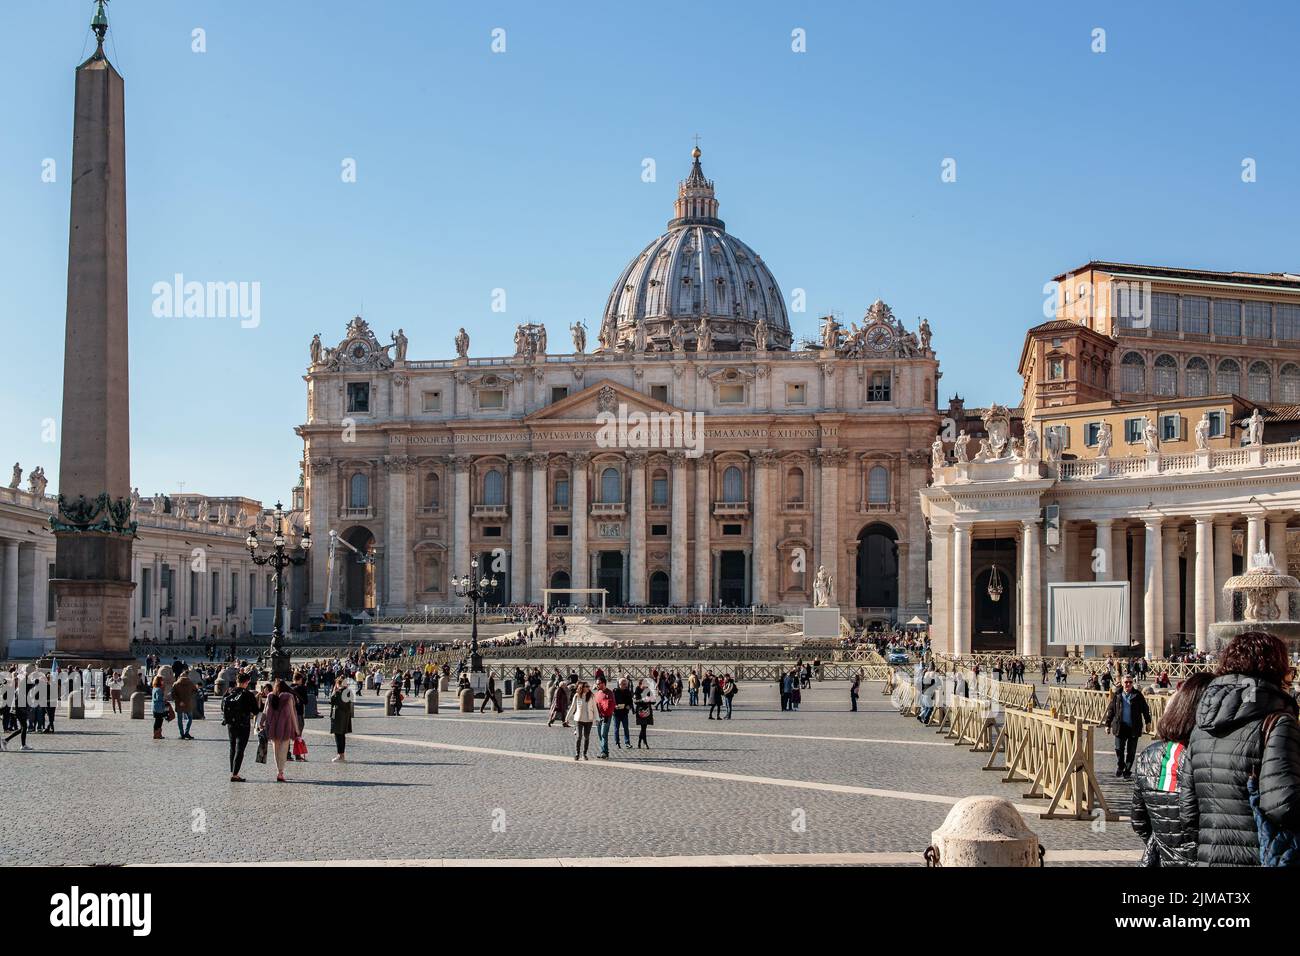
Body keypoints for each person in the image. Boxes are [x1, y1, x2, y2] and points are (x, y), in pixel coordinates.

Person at [1187, 631, 1300, 866]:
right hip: (1259, 856)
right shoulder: (1277, 722)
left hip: (1208, 858)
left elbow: (1187, 808)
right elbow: (1282, 805)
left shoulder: (1202, 725)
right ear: (1275, 667)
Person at [1130, 672, 1211, 866]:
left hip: (1166, 859)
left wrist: (1168, 847)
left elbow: (1139, 821)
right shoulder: (1205, 756)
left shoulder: (1149, 755)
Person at [1102, 674, 1151, 778]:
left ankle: (1127, 770)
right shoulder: (1117, 694)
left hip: (1134, 727)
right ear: (1122, 683)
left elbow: (1145, 709)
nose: (1128, 684)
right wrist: (1107, 724)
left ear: (1132, 683)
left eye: (1130, 682)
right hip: (1120, 726)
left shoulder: (1138, 695)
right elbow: (1111, 710)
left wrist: (1148, 722)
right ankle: (1120, 765)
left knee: (1131, 751)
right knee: (1118, 748)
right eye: (1126, 682)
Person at [220, 672, 261, 782]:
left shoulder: (228, 691)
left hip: (230, 724)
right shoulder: (248, 694)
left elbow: (222, 707)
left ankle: (232, 770)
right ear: (247, 682)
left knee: (232, 746)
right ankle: (235, 774)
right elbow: (255, 711)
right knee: (240, 749)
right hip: (243, 724)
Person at [264, 678, 302, 783]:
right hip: (285, 726)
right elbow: (293, 714)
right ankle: (281, 772)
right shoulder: (289, 697)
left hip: (273, 726)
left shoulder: (270, 696)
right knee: (283, 751)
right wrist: (297, 729)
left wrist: (261, 724)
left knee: (275, 750)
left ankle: (278, 771)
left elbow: (265, 712)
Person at [566, 681, 596, 760]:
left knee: (586, 737)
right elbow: (572, 708)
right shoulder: (577, 696)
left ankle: (584, 753)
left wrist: (598, 718)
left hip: (589, 720)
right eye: (586, 686)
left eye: (588, 686)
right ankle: (577, 753)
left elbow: (595, 708)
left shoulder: (592, 696)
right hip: (578, 719)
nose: (588, 688)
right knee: (579, 737)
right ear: (581, 688)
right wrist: (567, 718)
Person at [330, 676, 353, 763]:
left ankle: (340, 755)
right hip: (345, 716)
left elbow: (332, 701)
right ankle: (342, 755)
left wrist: (334, 691)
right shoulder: (348, 692)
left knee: (338, 736)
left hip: (338, 716)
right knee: (342, 736)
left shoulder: (338, 692)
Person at [172, 667, 197, 740]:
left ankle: (182, 734)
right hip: (188, 703)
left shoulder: (176, 684)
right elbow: (195, 691)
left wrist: (179, 701)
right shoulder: (190, 683)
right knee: (190, 718)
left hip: (179, 704)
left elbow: (173, 695)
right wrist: (190, 696)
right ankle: (187, 732)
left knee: (179, 719)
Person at [593, 678, 615, 758]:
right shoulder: (597, 693)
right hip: (598, 717)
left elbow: (612, 705)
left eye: (598, 684)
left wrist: (607, 714)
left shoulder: (610, 693)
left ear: (603, 683)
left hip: (606, 717)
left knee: (603, 734)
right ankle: (604, 750)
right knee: (600, 735)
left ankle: (604, 752)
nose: (597, 685)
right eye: (596, 684)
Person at [612, 678, 633, 749]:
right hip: (616, 713)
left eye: (625, 684)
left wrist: (629, 706)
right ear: (619, 684)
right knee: (616, 729)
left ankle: (627, 742)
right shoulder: (615, 691)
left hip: (624, 713)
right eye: (623, 684)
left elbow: (631, 702)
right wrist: (615, 706)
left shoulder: (628, 692)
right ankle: (617, 742)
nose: (624, 685)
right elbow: (611, 701)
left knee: (626, 728)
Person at [150, 674, 169, 740]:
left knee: (157, 720)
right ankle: (157, 734)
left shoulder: (154, 688)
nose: (163, 681)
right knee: (159, 721)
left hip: (155, 707)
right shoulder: (159, 689)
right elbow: (158, 698)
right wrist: (164, 699)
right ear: (159, 681)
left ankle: (157, 734)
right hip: (159, 707)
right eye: (162, 680)